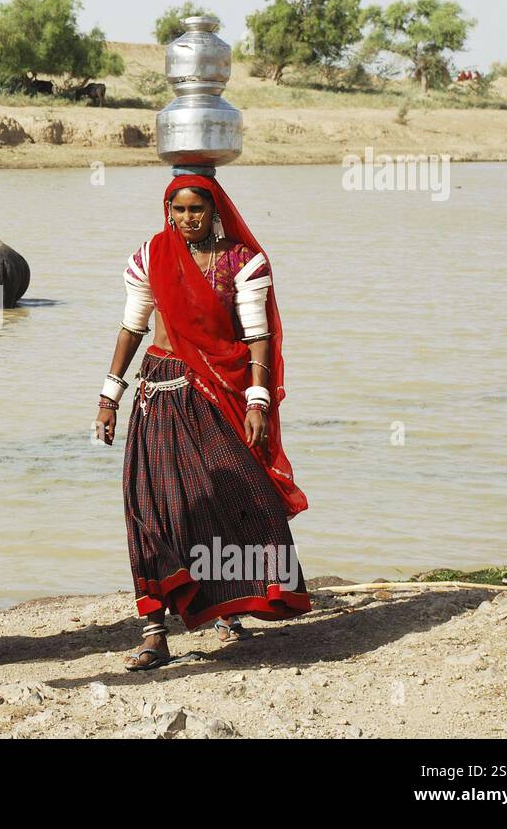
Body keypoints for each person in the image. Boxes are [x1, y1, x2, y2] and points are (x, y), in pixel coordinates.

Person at [93, 174, 311, 671]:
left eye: (197, 209)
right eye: (179, 209)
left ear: (215, 211)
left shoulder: (242, 261)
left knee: (236, 495)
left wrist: (257, 400)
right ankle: (154, 628)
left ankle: (232, 601)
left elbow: (257, 336)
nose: (188, 219)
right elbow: (132, 327)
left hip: (216, 393)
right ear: (167, 210)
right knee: (151, 506)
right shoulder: (150, 257)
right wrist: (109, 394)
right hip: (159, 392)